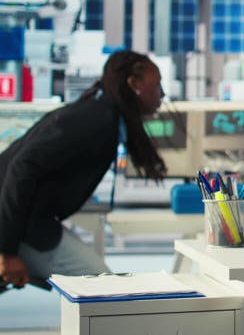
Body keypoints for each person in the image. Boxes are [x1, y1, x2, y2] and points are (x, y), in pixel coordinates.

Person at [0, 50, 166, 288]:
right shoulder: (97, 118)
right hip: (19, 223)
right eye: (157, 84)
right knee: (105, 290)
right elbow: (22, 167)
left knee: (102, 290)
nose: (162, 94)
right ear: (134, 84)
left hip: (26, 220)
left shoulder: (99, 110)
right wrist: (7, 252)